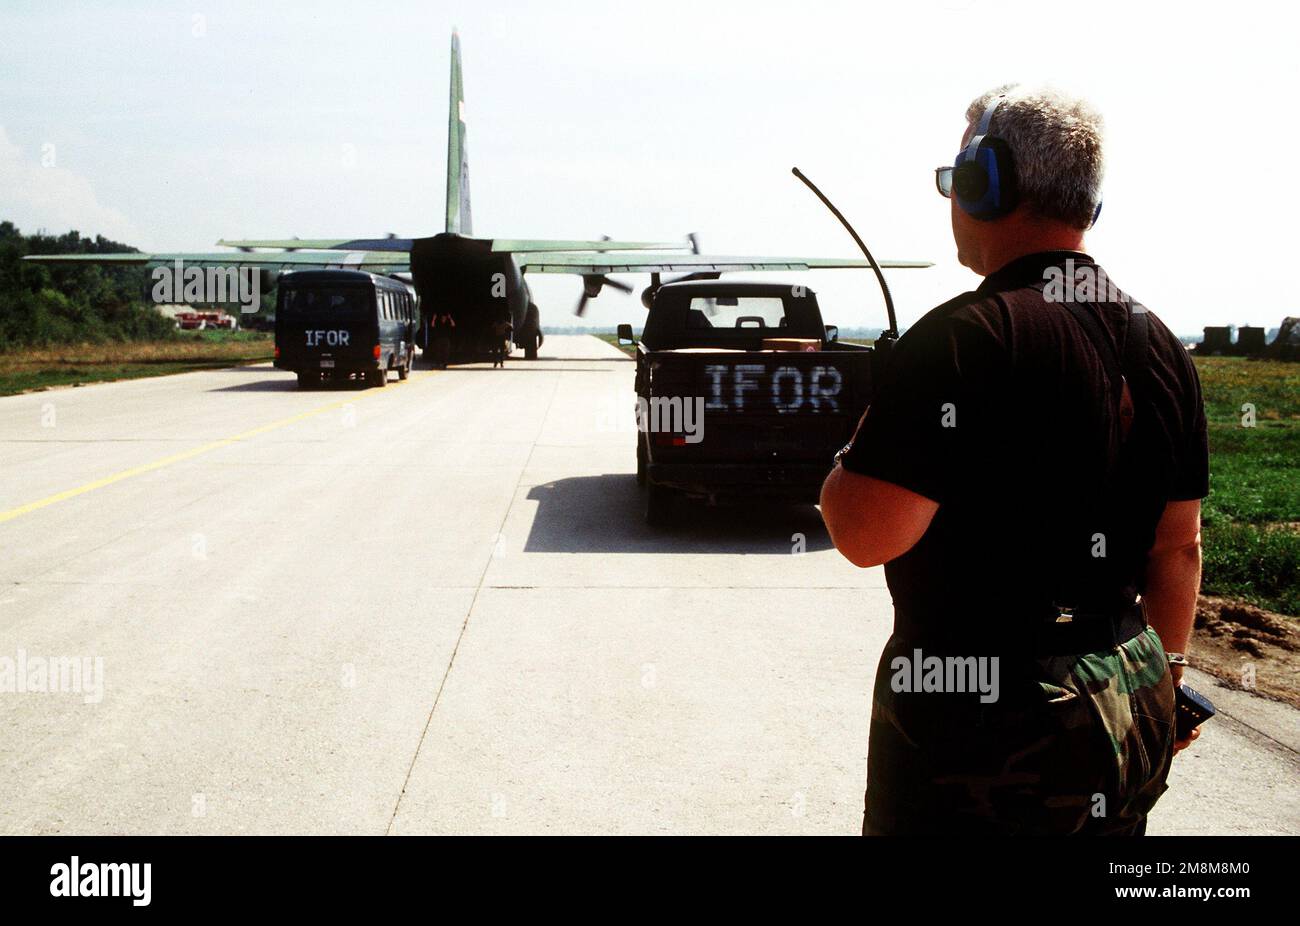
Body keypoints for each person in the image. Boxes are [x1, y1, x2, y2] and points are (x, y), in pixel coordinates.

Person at [819, 84, 1209, 835]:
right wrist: (1170, 677)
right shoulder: (1158, 342)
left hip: (990, 718)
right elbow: (1178, 545)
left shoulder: (963, 337)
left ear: (982, 184)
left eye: (953, 181)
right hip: (1130, 689)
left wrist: (863, 432)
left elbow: (864, 535)